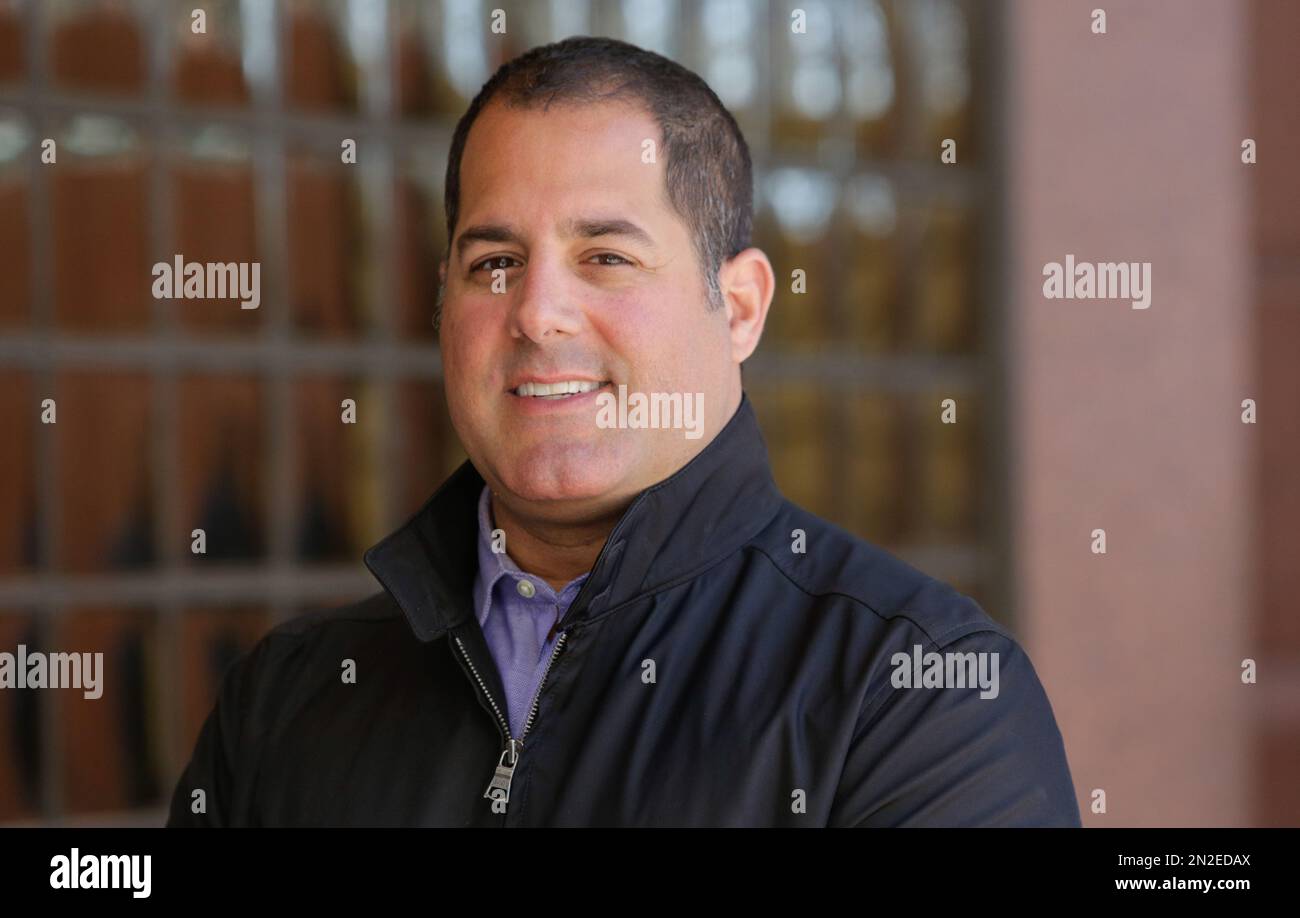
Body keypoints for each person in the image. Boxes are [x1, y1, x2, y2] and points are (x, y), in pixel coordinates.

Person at [168, 35, 1080, 827]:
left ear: (742, 307)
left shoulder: (918, 695)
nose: (539, 313)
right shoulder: (291, 697)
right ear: (443, 305)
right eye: (495, 262)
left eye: (606, 257)